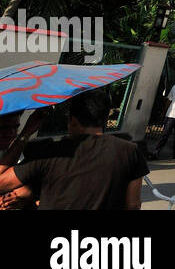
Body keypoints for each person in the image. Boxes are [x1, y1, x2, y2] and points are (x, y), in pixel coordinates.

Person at [0, 90, 149, 210]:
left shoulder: (48, 151)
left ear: (72, 120)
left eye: (15, 127)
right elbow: (133, 205)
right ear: (105, 119)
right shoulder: (130, 151)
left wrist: (26, 133)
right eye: (5, 128)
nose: (11, 132)